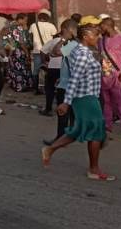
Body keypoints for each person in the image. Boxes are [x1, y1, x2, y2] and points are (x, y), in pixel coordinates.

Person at [42, 23, 114, 181]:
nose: (98, 38)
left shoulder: (80, 49)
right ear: (86, 36)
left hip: (86, 94)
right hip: (85, 96)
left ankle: (50, 149)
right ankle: (94, 169)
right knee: (96, 131)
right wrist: (66, 102)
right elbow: (74, 78)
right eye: (95, 35)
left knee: (79, 129)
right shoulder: (79, 51)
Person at [43, 20, 78, 145]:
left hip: (67, 84)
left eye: (63, 30)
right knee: (73, 111)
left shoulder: (73, 44)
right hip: (70, 82)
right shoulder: (77, 44)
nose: (61, 33)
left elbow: (55, 52)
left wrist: (62, 39)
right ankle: (71, 135)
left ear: (68, 30)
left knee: (63, 112)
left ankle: (61, 137)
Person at [3, 13, 33, 92]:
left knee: (19, 69)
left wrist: (25, 29)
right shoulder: (15, 28)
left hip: (16, 51)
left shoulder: (16, 27)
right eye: (25, 20)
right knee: (19, 69)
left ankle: (20, 85)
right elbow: (21, 42)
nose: (26, 22)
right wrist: (26, 52)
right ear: (20, 19)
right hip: (18, 51)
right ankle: (20, 86)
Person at [30, 11, 57, 94]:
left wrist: (33, 45)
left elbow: (30, 36)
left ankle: (36, 89)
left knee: (36, 70)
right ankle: (49, 87)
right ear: (47, 18)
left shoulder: (33, 25)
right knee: (49, 68)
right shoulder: (51, 26)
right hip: (48, 51)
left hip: (37, 50)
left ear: (39, 18)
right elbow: (55, 37)